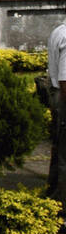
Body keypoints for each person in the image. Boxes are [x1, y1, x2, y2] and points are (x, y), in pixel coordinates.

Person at [46, 19, 66, 205]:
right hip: (63, 96)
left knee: (59, 146)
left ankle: (53, 195)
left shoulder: (59, 30)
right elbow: (65, 78)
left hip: (56, 94)